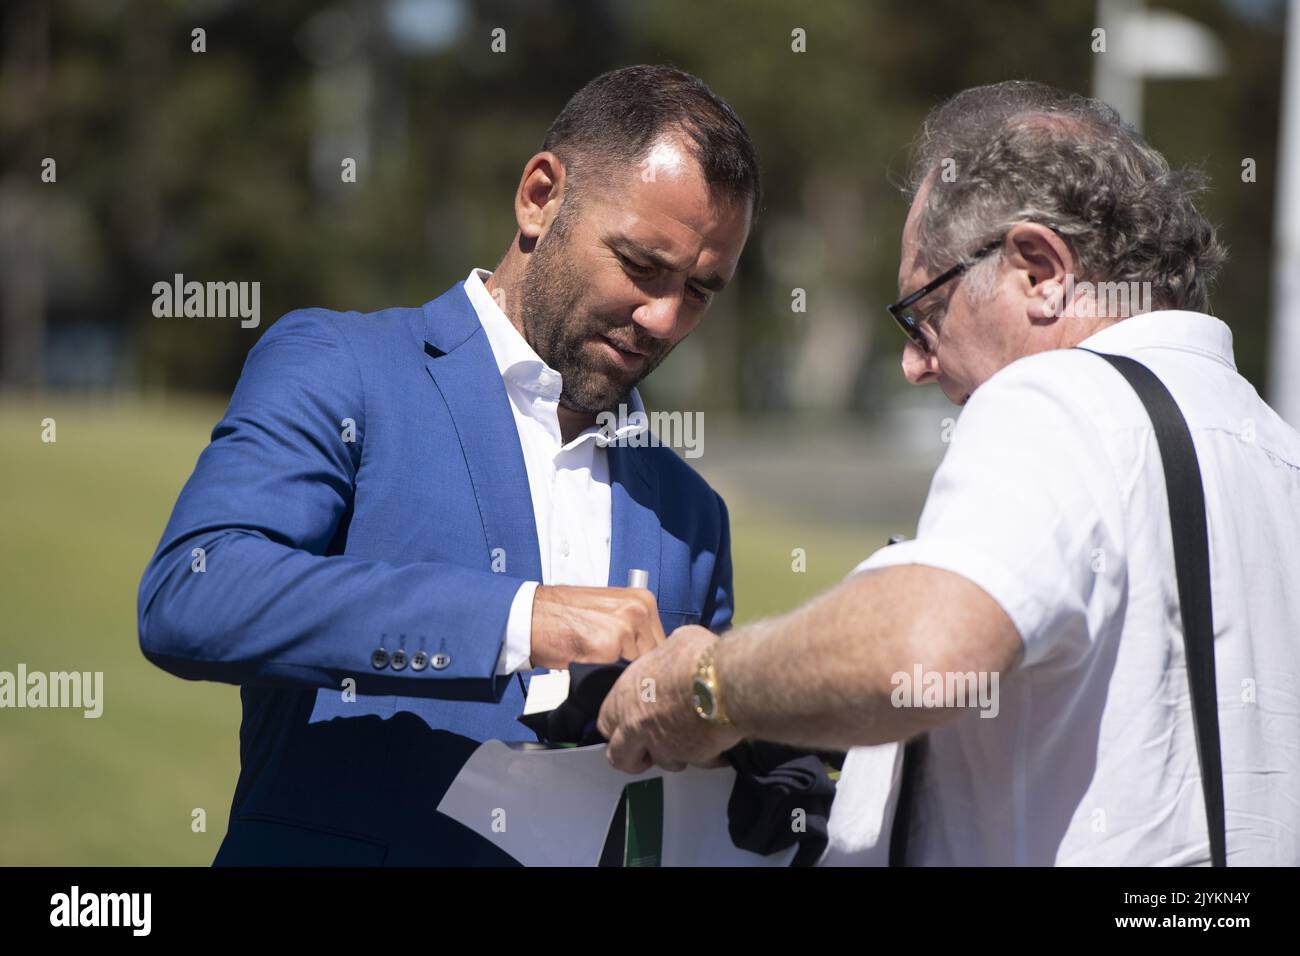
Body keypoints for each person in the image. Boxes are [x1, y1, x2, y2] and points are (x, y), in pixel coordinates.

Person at [597, 80, 1300, 865]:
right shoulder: (1274, 451)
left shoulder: (1060, 394)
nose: (912, 364)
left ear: (1040, 271)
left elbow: (923, 649)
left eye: (922, 312)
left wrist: (706, 688)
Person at [137, 64, 758, 865]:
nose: (665, 317)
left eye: (702, 290)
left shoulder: (693, 515)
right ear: (540, 196)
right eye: (642, 264)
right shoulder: (341, 365)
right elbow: (195, 592)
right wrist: (521, 619)